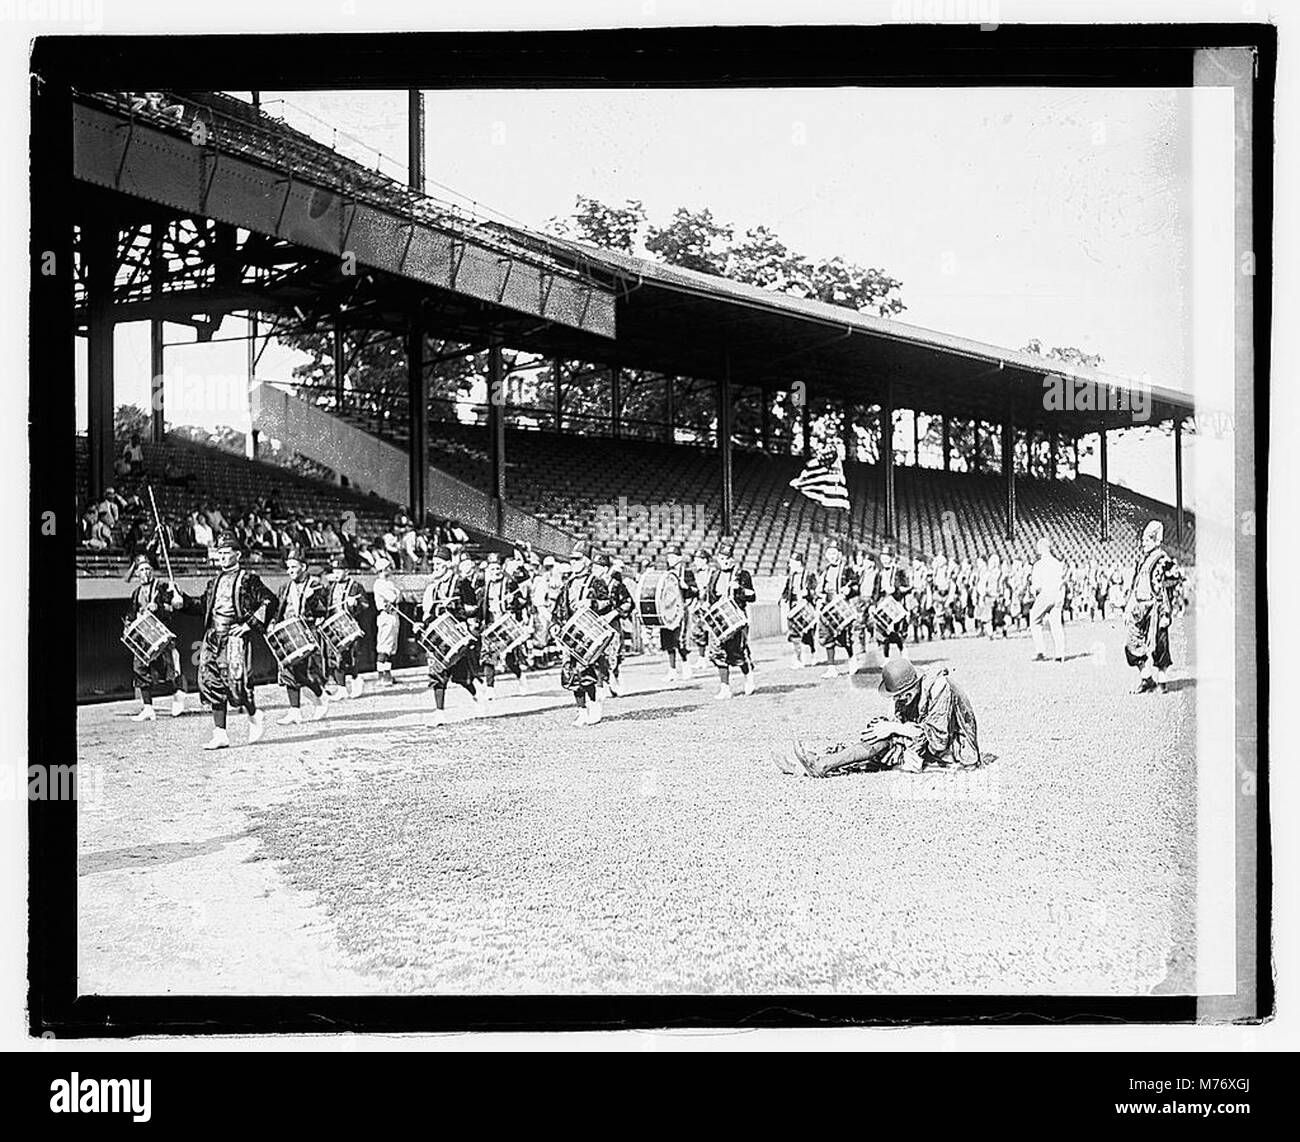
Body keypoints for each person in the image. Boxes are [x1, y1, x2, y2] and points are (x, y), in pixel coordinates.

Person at [776, 656, 981, 777]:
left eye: (900, 696)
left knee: (887, 741)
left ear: (910, 689)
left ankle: (822, 763)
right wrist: (891, 727)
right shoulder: (909, 694)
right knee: (881, 735)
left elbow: (938, 740)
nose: (898, 700)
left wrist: (896, 731)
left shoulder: (938, 687)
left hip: (954, 750)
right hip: (925, 742)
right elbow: (901, 722)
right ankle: (817, 762)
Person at [175, 533, 276, 750]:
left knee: (237, 685)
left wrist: (249, 625)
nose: (221, 557)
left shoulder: (248, 579)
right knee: (210, 681)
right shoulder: (214, 582)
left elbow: (270, 601)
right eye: (219, 553)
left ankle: (254, 713)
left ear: (237, 555)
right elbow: (203, 606)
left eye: (225, 553)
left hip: (234, 637)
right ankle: (220, 733)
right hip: (213, 637)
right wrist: (181, 601)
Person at [417, 544, 484, 724]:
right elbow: (429, 613)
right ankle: (439, 712)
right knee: (437, 673)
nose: (435, 568)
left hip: (457, 635)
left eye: (439, 565)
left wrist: (464, 620)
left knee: (461, 677)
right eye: (434, 565)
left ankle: (477, 694)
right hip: (440, 637)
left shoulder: (461, 583)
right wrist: (420, 624)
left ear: (447, 564)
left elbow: (473, 608)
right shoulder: (433, 588)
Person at [551, 542, 612, 726]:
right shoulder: (568, 583)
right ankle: (581, 710)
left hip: (588, 633)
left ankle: (594, 705)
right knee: (570, 673)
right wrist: (554, 624)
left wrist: (591, 603)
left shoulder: (596, 581)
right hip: (570, 634)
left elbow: (607, 603)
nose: (574, 563)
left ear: (586, 561)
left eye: (577, 559)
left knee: (585, 672)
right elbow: (559, 608)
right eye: (572, 560)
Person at [123, 554, 187, 721]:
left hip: (162, 633)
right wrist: (127, 626)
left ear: (152, 570)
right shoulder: (136, 593)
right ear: (137, 573)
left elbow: (172, 609)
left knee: (168, 667)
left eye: (147, 569)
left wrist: (158, 607)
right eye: (141, 569)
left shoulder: (162, 587)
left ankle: (178, 696)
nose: (145, 572)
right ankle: (148, 708)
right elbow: (131, 613)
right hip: (145, 637)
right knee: (139, 668)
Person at [273, 551, 332, 725]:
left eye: (293, 567)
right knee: (288, 670)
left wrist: (312, 599)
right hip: (288, 632)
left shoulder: (315, 585)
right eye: (288, 567)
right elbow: (279, 610)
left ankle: (320, 695)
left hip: (306, 631)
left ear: (303, 567)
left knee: (301, 671)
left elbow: (323, 611)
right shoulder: (285, 587)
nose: (290, 570)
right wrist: (273, 623)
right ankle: (295, 711)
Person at [1124, 520, 1182, 694]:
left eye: (1147, 540)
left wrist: (1164, 608)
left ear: (1155, 540)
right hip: (1139, 606)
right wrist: (1129, 606)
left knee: (1160, 641)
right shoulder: (1142, 560)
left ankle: (1162, 679)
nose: (1143, 543)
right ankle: (1146, 677)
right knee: (1132, 641)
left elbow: (1174, 578)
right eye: (1143, 539)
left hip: (1156, 607)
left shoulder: (1163, 559)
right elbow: (1135, 585)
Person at [704, 542, 757, 700]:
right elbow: (710, 596)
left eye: (728, 558)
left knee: (737, 652)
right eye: (721, 558)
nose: (725, 561)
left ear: (733, 559)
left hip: (736, 617)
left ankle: (749, 679)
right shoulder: (714, 575)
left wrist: (739, 589)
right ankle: (725, 688)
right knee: (717, 652)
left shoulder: (742, 574)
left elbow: (753, 596)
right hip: (719, 620)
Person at [477, 553, 530, 700]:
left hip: (506, 624)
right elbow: (482, 605)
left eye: (498, 569)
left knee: (510, 659)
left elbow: (522, 601)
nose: (496, 572)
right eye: (492, 569)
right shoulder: (485, 585)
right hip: (491, 623)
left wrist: (514, 602)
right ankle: (490, 687)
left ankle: (520, 677)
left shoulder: (509, 582)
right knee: (488, 656)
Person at [324, 554, 369, 699]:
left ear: (346, 571)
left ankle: (356, 680)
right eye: (334, 571)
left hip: (351, 627)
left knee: (351, 657)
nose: (336, 574)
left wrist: (354, 604)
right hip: (336, 627)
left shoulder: (356, 586)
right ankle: (341, 688)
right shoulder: (331, 587)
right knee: (337, 657)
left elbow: (365, 604)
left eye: (339, 571)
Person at [660, 547, 700, 682]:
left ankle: (686, 665)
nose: (669, 560)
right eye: (668, 557)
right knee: (668, 641)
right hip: (668, 611)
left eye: (672, 557)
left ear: (679, 558)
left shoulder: (687, 573)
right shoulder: (666, 574)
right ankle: (672, 670)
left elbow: (696, 591)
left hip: (681, 610)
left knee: (680, 640)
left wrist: (686, 587)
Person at [1028, 537, 1066, 662]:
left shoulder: (1039, 565)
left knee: (1034, 620)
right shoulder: (1057, 563)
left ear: (1041, 548)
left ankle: (1040, 651)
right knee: (1056, 625)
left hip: (1045, 594)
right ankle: (1060, 654)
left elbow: (1036, 585)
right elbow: (1062, 581)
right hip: (1057, 594)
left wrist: (1034, 592)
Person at [780, 551, 817, 669]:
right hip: (794, 606)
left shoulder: (809, 575)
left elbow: (815, 591)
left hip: (806, 606)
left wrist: (808, 593)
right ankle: (798, 658)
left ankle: (813, 653)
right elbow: (786, 590)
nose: (790, 566)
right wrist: (782, 599)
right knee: (794, 634)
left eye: (792, 563)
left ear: (798, 563)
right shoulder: (791, 577)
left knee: (808, 633)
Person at [372, 563, 402, 686]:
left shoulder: (390, 582)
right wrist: (396, 594)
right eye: (387, 568)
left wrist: (397, 594)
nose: (389, 570)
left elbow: (400, 597)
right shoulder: (379, 584)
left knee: (392, 647)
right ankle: (381, 676)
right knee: (384, 646)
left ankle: (388, 674)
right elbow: (393, 597)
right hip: (385, 615)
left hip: (394, 615)